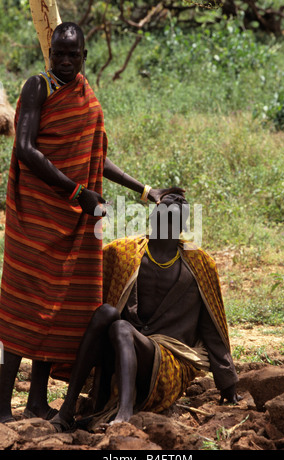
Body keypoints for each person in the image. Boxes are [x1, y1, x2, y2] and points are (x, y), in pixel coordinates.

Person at [0, 22, 182, 424]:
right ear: (50, 54)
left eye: (72, 54)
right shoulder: (38, 87)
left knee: (60, 306)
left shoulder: (85, 94)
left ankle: (35, 402)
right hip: (38, 217)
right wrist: (76, 193)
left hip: (76, 220)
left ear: (85, 56)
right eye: (58, 54)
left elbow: (98, 159)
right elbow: (26, 148)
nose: (65, 60)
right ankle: (0, 406)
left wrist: (145, 190)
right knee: (25, 305)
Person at [49, 193, 240, 433]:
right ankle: (67, 408)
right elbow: (86, 276)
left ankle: (125, 412)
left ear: (182, 226)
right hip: (119, 352)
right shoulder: (125, 253)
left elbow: (213, 327)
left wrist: (228, 383)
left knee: (121, 328)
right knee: (108, 313)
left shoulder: (199, 265)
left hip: (168, 360)